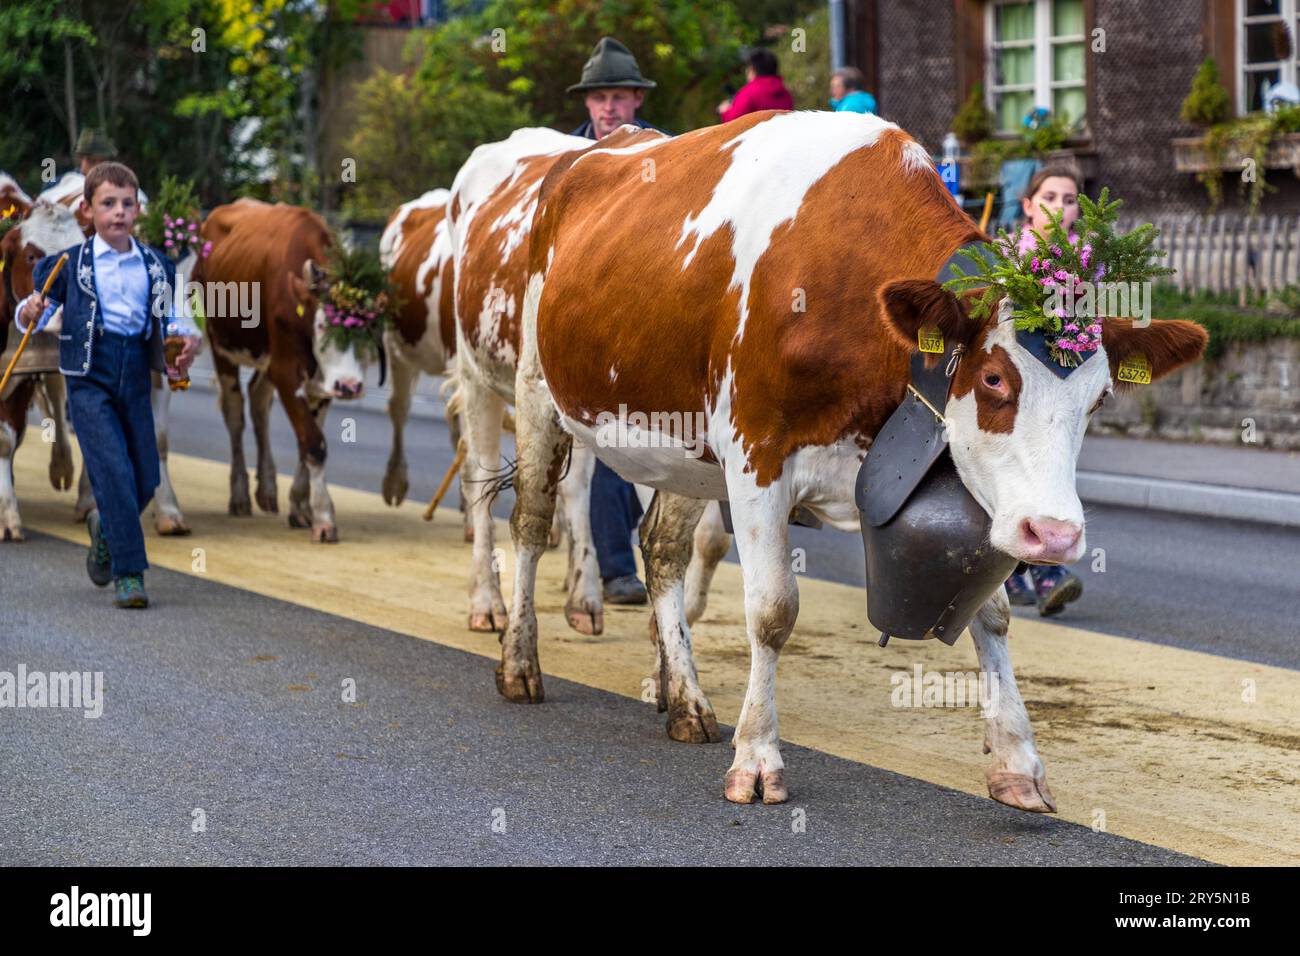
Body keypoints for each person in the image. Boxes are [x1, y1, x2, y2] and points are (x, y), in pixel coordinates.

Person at [16, 162, 201, 608]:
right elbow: (35, 314)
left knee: (146, 476)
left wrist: (185, 336)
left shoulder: (157, 264)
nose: (119, 212)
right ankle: (129, 572)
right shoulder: (66, 263)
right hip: (88, 375)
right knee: (113, 471)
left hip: (135, 371)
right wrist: (30, 309)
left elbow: (174, 315)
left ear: (138, 209)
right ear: (87, 210)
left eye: (127, 204)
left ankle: (104, 525)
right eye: (108, 204)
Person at [567, 37, 665, 605]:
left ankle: (619, 562)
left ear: (636, 100)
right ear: (587, 103)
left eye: (619, 97)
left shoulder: (665, 152)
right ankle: (614, 565)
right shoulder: (561, 160)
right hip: (578, 316)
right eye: (599, 97)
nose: (609, 108)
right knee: (611, 442)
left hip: (646, 315)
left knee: (633, 441)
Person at [1003, 162, 1087, 616]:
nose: (1059, 207)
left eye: (1069, 200)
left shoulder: (1089, 260)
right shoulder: (1014, 256)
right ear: (1029, 206)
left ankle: (1018, 575)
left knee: (1051, 477)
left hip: (1065, 390)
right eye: (1050, 198)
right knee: (1027, 477)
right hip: (1018, 395)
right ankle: (1044, 572)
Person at [717, 48, 793, 123]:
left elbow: (732, 122)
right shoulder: (786, 93)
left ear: (752, 70)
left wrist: (725, 111)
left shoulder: (749, 93)